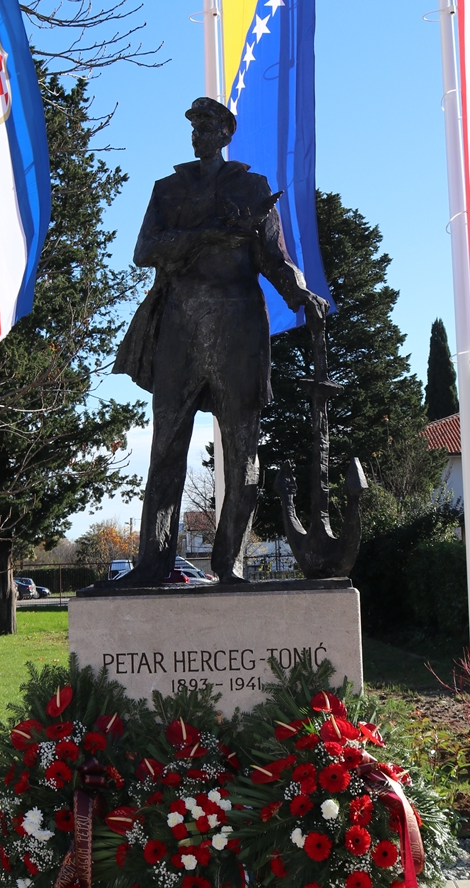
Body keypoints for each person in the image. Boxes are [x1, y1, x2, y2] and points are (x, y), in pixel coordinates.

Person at [112, 97, 329, 585]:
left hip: (238, 328)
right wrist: (202, 235)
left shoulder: (252, 189)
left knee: (242, 448)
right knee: (166, 442)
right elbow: (144, 250)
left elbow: (273, 258)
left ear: (226, 134)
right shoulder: (168, 190)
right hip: (181, 326)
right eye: (194, 126)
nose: (199, 134)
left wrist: (301, 293)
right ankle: (153, 561)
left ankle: (228, 561)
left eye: (208, 126)